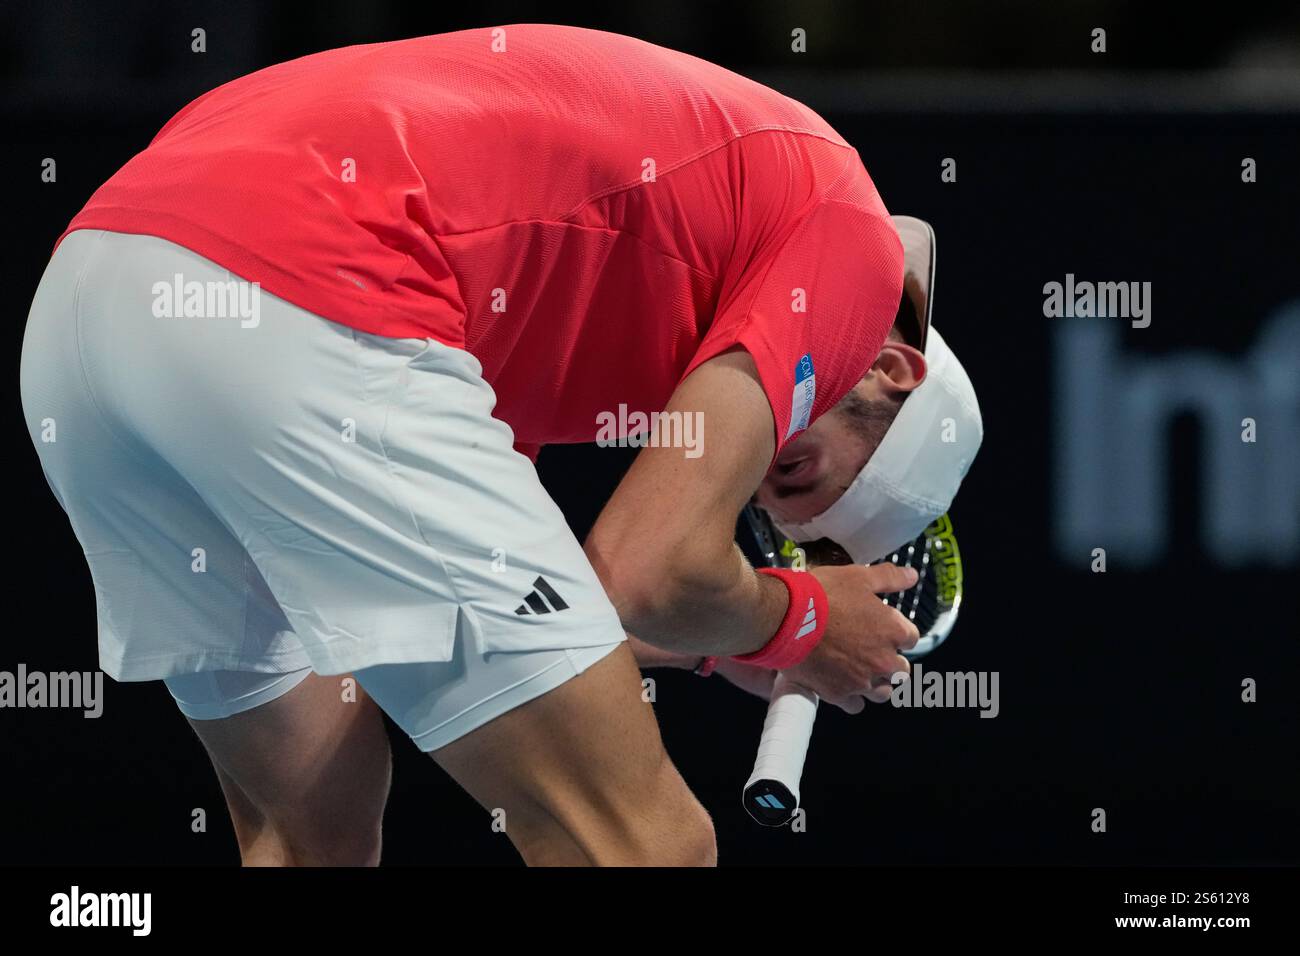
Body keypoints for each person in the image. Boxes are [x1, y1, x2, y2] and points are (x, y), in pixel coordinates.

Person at [22, 25, 930, 866]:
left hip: (91, 293)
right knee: (641, 845)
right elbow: (654, 570)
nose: (752, 490)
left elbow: (478, 608)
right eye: (792, 474)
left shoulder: (567, 295)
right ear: (889, 370)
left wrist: (724, 636)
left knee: (310, 832)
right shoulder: (855, 243)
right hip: (303, 281)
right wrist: (800, 618)